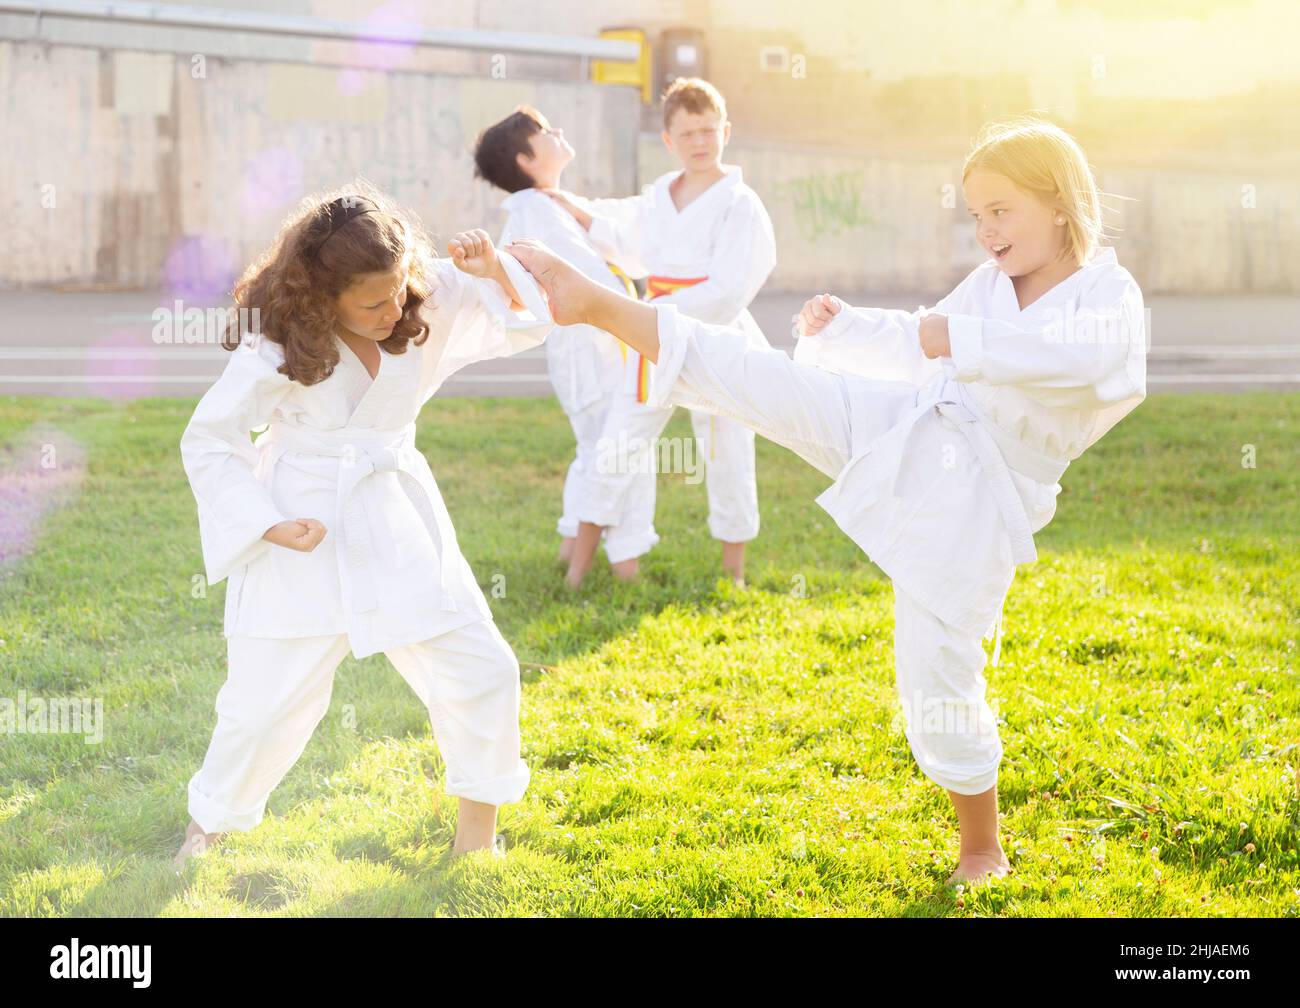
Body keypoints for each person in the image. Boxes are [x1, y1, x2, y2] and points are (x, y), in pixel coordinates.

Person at [506, 117, 1147, 885]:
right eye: (975, 215)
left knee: (937, 669)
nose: (985, 232)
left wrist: (959, 341)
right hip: (911, 424)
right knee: (761, 379)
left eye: (1000, 211)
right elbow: (921, 339)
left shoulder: (1109, 294)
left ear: (1058, 199)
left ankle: (982, 847)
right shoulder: (992, 284)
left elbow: (1090, 369)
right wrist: (846, 329)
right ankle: (601, 306)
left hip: (978, 494)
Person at [174, 184, 553, 870]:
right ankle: (210, 825)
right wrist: (267, 524)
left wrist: (493, 270)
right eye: (370, 303)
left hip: (394, 508)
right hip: (305, 516)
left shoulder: (425, 295)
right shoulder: (279, 342)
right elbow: (209, 440)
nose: (390, 311)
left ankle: (477, 837)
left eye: (396, 293)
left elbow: (526, 323)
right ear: (323, 296)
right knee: (265, 702)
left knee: (482, 669)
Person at [545, 77, 776, 586]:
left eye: (709, 130)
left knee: (728, 449)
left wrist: (661, 308)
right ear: (668, 140)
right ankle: (578, 569)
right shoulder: (658, 199)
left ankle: (733, 573)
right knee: (619, 440)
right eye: (688, 132)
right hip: (652, 332)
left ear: (726, 132)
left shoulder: (742, 205)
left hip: (714, 335)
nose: (700, 141)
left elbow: (730, 288)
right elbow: (621, 235)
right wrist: (569, 207)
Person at [473, 105, 657, 586]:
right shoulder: (536, 209)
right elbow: (588, 278)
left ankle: (574, 549)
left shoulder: (551, 205)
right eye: (545, 132)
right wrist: (640, 320)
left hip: (592, 344)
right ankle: (623, 565)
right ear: (526, 160)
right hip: (596, 346)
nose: (558, 132)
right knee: (621, 446)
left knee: (600, 446)